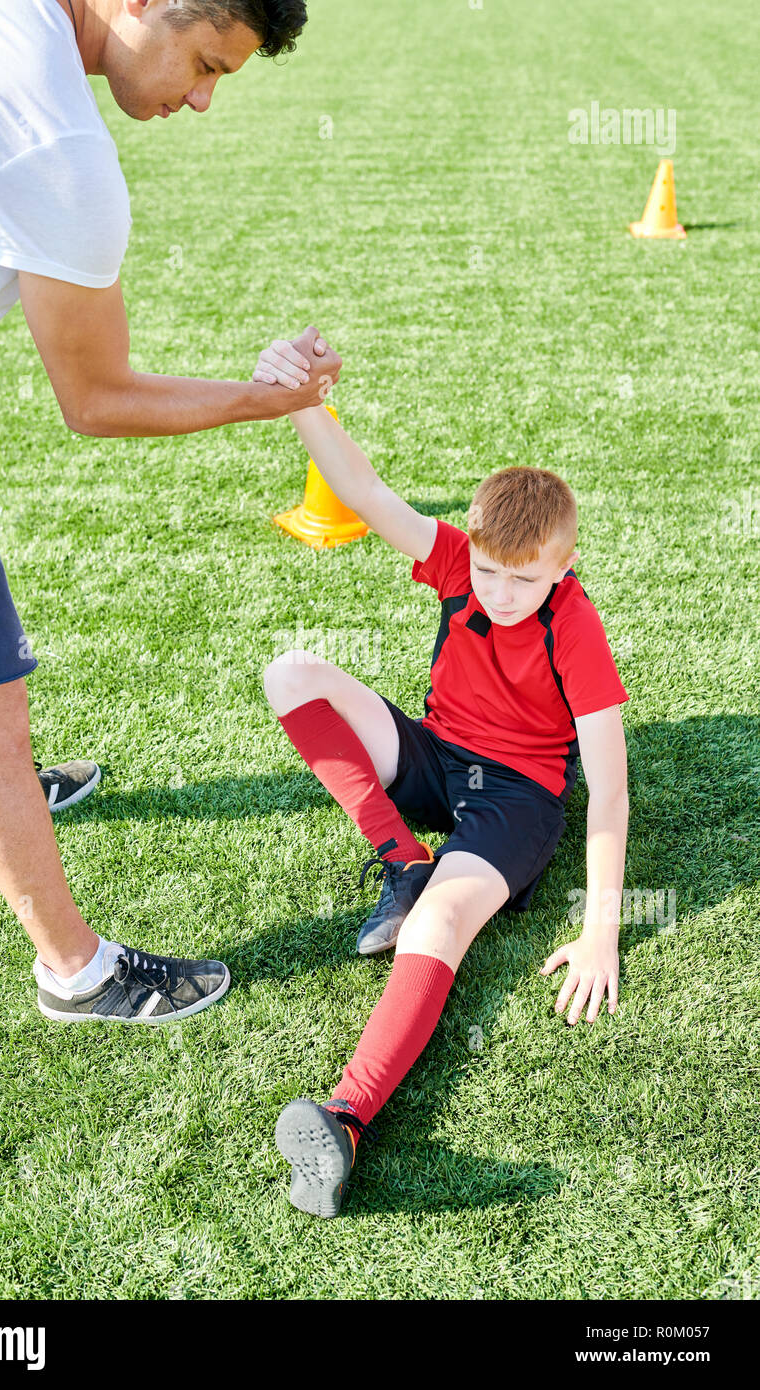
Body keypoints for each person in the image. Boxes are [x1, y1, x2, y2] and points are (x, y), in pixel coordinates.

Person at [0, 0, 340, 1025]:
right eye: (201, 63)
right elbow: (95, 399)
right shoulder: (58, 145)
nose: (200, 99)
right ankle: (77, 972)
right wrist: (264, 399)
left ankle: (10, 787)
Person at [260, 401, 630, 1216]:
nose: (499, 592)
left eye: (523, 579)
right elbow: (359, 487)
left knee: (436, 928)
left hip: (517, 799)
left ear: (562, 569)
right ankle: (403, 860)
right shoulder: (461, 562)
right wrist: (300, 402)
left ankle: (347, 1118)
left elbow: (609, 789)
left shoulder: (575, 627)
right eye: (490, 571)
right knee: (290, 674)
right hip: (438, 755)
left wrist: (601, 928)